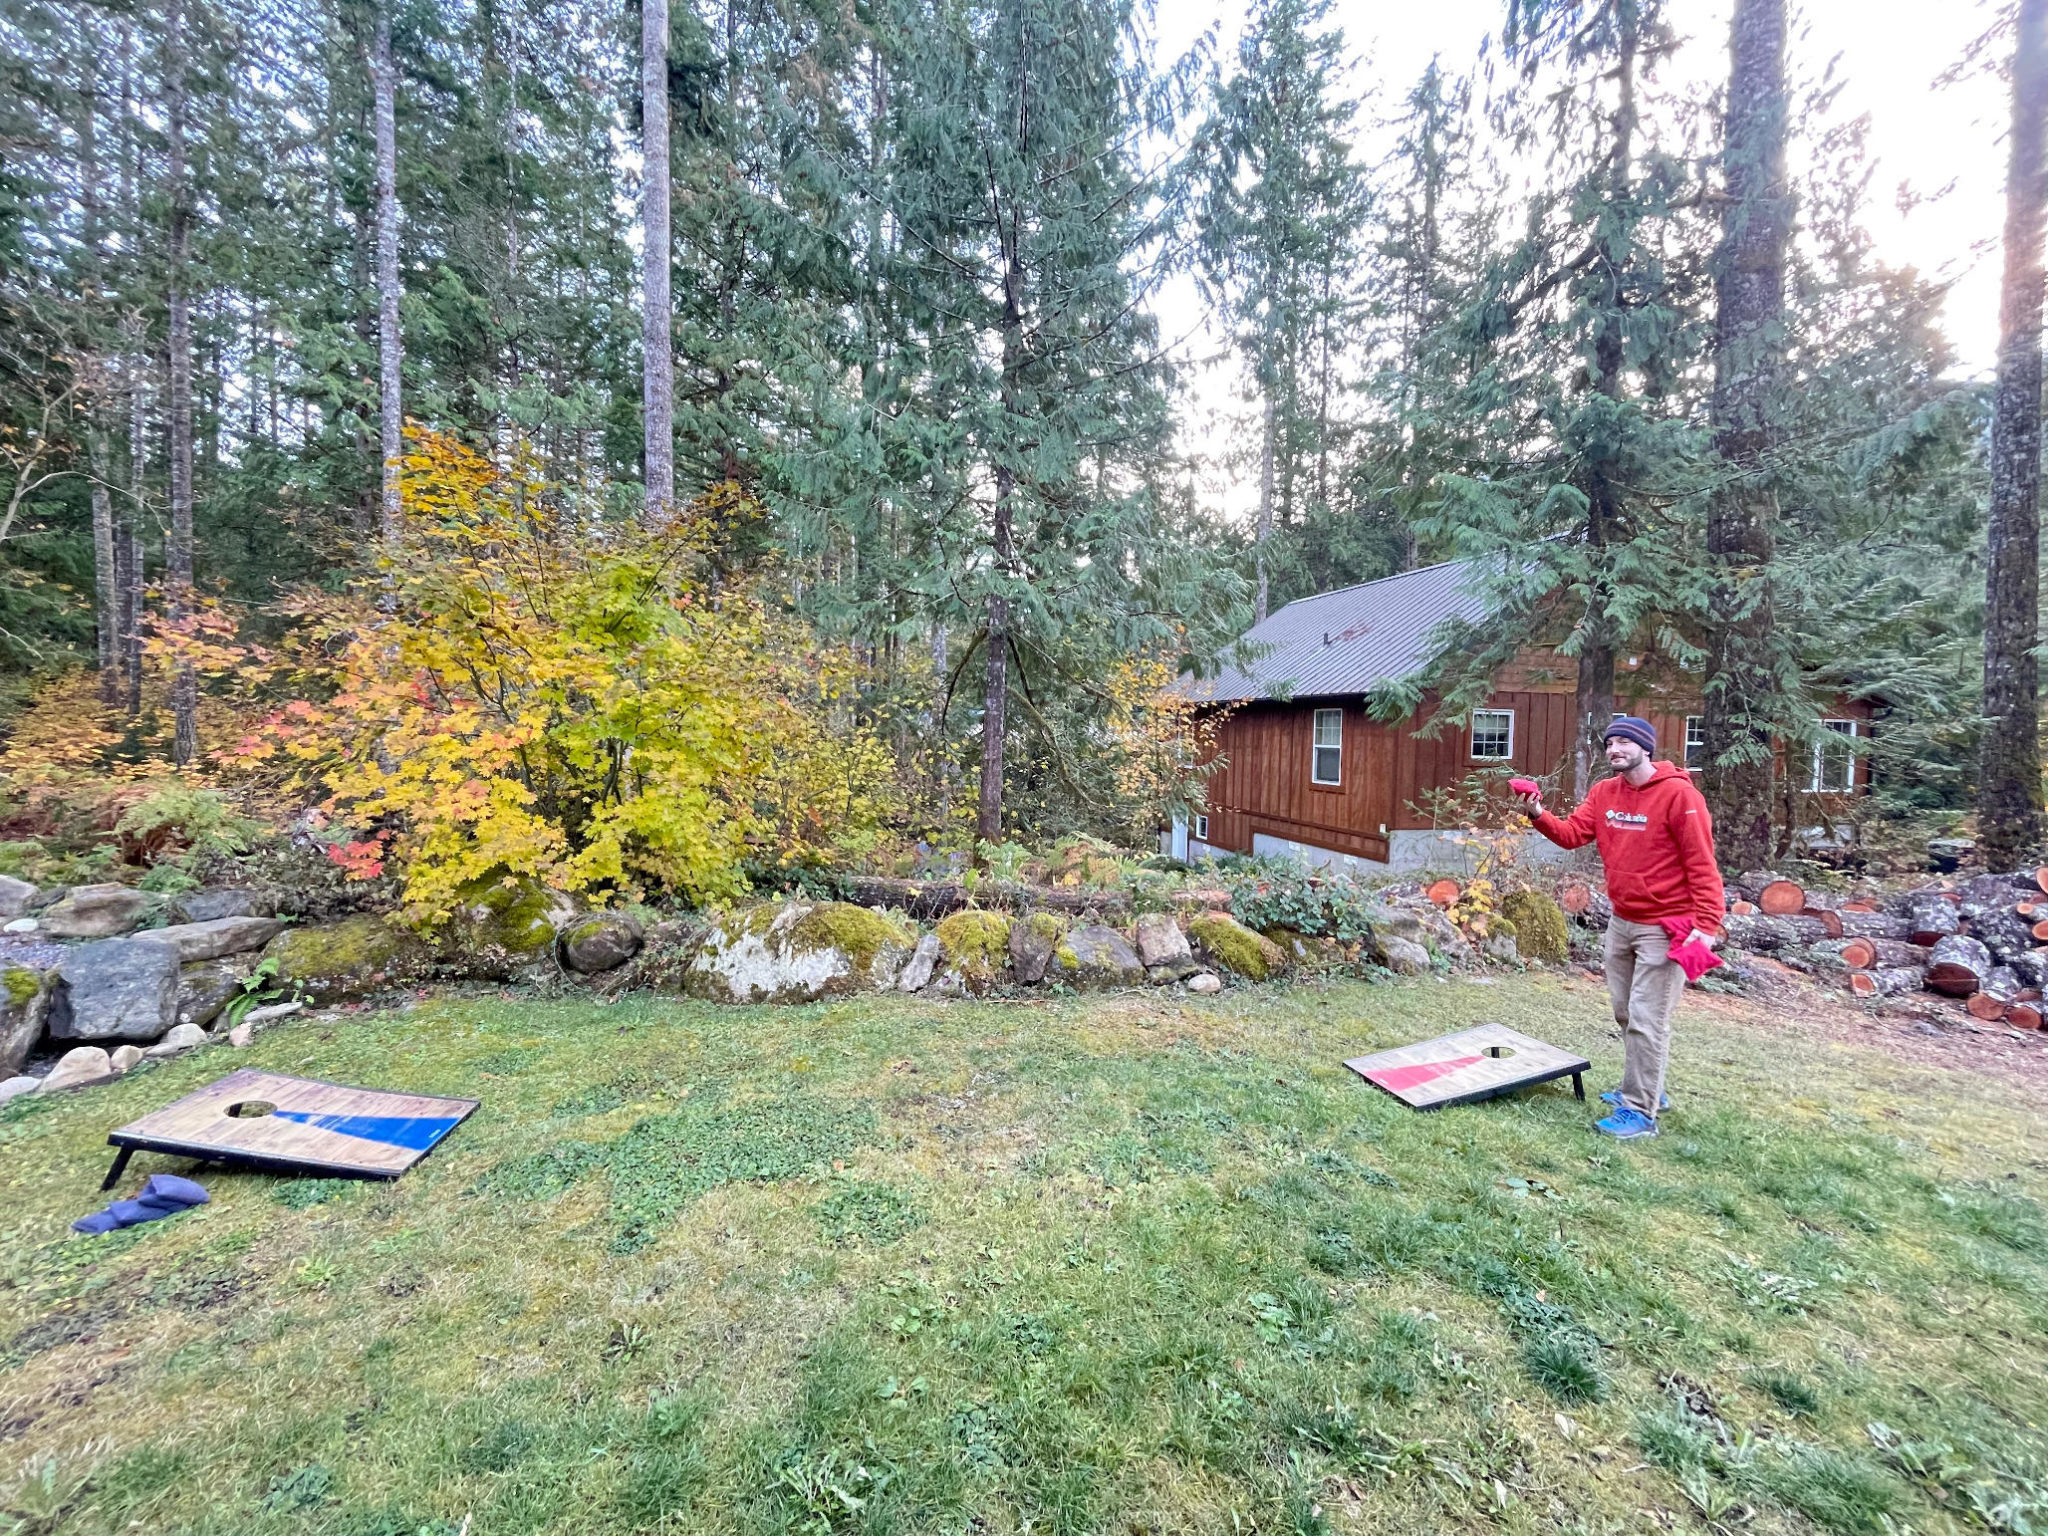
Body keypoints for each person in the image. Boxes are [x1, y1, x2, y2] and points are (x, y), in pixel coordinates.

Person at [1511, 716, 1725, 1139]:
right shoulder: (1605, 792)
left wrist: (1708, 924)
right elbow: (1573, 834)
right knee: (1625, 1012)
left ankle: (1641, 1111)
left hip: (1667, 927)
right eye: (1610, 743)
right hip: (1622, 921)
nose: (1615, 749)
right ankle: (1649, 1086)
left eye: (1625, 741)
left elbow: (1703, 864)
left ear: (1647, 747)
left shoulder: (1680, 796)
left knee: (1648, 1018)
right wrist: (1538, 814)